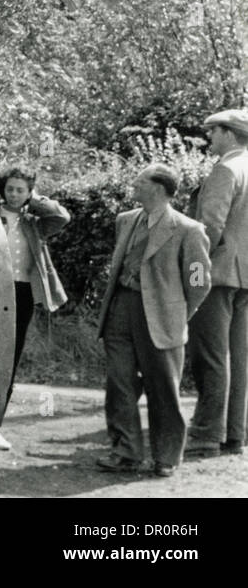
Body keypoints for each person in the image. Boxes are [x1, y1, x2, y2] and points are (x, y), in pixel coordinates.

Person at [96, 163, 211, 477]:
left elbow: (200, 282)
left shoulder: (189, 230)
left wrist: (179, 314)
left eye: (140, 181)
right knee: (119, 383)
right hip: (120, 307)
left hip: (162, 315)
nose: (133, 185)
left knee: (163, 387)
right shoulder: (125, 221)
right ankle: (125, 453)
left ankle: (166, 457)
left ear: (158, 189)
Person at [0, 165, 70, 451]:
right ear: (2, 189)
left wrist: (33, 200)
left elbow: (62, 217)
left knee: (10, 359)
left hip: (22, 293)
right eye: (9, 188)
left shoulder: (35, 221)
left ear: (29, 192)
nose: (13, 194)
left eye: (20, 190)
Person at [187, 108, 248, 457]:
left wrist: (193, 276)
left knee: (209, 355)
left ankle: (208, 434)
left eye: (214, 131)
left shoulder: (225, 169)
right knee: (238, 358)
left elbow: (207, 230)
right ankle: (235, 435)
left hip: (218, 275)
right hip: (244, 280)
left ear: (229, 133)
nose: (209, 137)